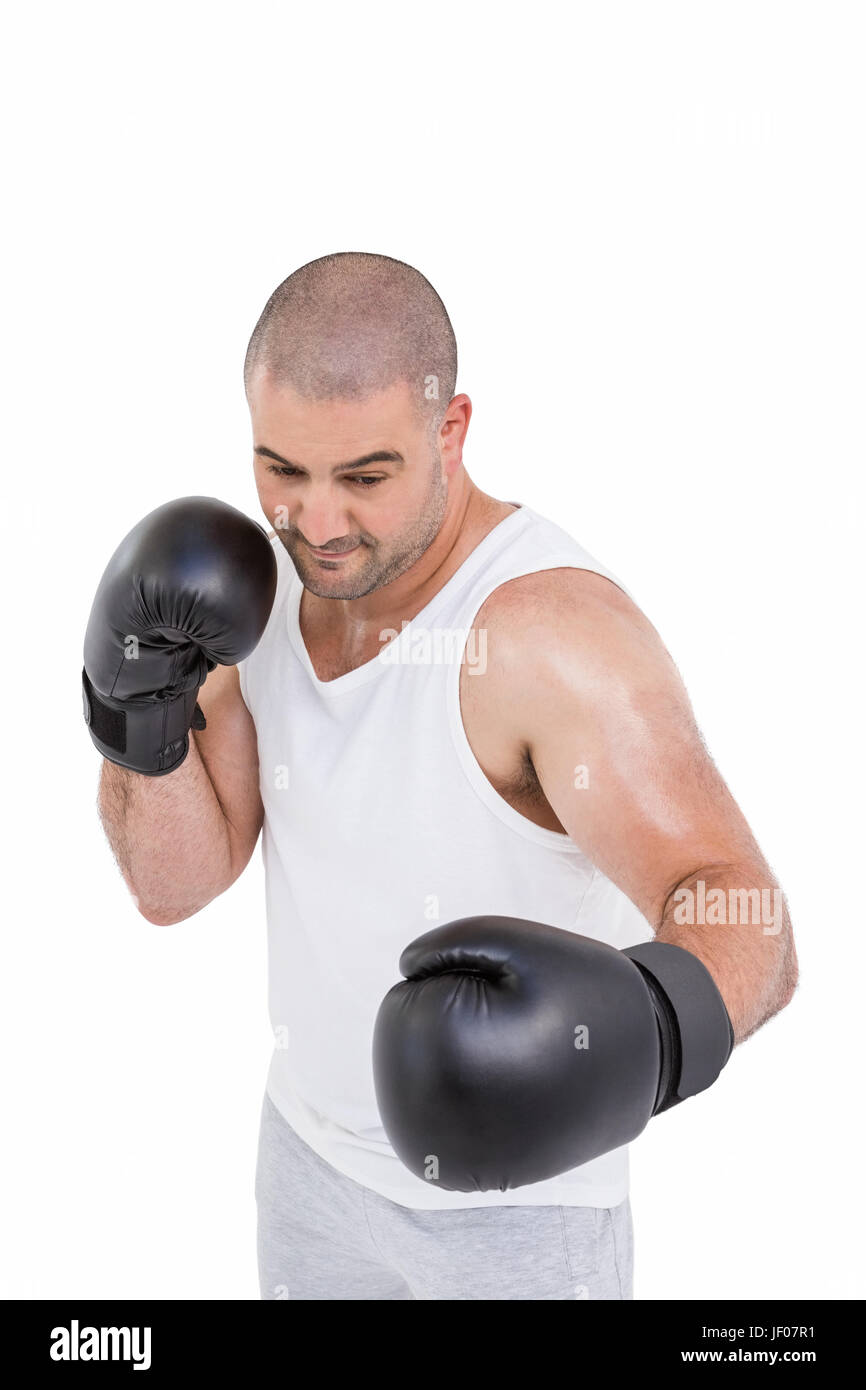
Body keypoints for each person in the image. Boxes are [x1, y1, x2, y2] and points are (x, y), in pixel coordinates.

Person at [87, 252, 798, 1300]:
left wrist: (638, 1030)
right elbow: (172, 885)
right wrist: (134, 715)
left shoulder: (547, 641)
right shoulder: (262, 587)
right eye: (282, 469)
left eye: (366, 477)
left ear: (449, 428)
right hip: (306, 1161)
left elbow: (752, 926)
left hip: (515, 1221)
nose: (317, 526)